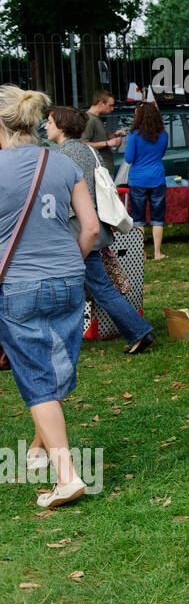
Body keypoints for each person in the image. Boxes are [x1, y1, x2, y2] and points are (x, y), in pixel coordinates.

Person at [0, 86, 100, 508]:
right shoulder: (61, 163)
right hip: (68, 278)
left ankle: (68, 476)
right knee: (51, 366)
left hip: (18, 283)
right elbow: (91, 228)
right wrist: (70, 266)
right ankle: (39, 451)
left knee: (39, 378)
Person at [44, 106, 155, 355]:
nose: (45, 126)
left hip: (77, 228)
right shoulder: (84, 149)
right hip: (89, 224)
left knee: (98, 287)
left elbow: (65, 195)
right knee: (86, 285)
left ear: (61, 126)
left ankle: (139, 331)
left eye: (49, 121)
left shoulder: (64, 155)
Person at [125, 102, 169, 261]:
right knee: (158, 218)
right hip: (157, 177)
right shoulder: (163, 135)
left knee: (138, 218)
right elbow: (162, 153)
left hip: (138, 179)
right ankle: (158, 253)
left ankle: (141, 253)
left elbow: (128, 158)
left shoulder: (134, 135)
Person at [83, 89, 126, 172]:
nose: (112, 108)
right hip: (100, 171)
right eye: (110, 105)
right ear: (100, 103)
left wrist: (116, 135)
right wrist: (107, 143)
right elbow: (83, 145)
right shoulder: (88, 120)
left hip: (104, 169)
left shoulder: (96, 118)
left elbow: (104, 138)